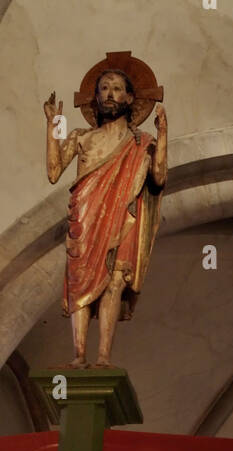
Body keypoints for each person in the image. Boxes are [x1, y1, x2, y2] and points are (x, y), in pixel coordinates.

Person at [43, 59, 167, 366]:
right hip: (85, 213)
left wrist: (163, 136)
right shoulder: (82, 137)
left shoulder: (142, 143)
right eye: (104, 89)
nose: (110, 94)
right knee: (80, 279)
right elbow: (54, 171)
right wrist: (51, 127)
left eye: (117, 89)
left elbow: (159, 178)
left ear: (129, 98)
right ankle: (79, 354)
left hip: (121, 215)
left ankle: (102, 357)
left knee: (115, 280)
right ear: (96, 97)